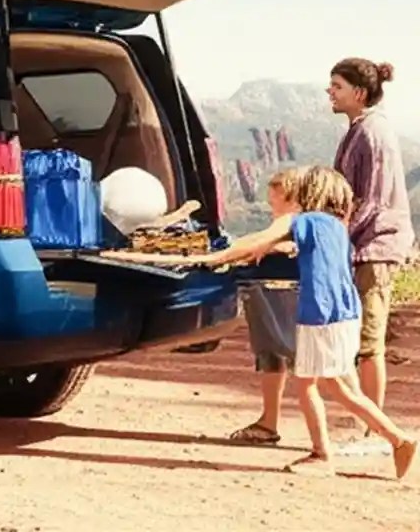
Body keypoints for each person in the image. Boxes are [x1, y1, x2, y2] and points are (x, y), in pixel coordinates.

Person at [104, 166, 416, 479]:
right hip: (346, 315)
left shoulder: (301, 220)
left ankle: (325, 454)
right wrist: (262, 247)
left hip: (319, 315)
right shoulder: (337, 229)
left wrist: (217, 257)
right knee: (341, 388)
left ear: (307, 194)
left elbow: (259, 238)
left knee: (308, 384)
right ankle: (397, 440)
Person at [328, 58, 415, 418]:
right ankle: (366, 420)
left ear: (360, 93)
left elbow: (372, 201)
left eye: (338, 86)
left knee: (368, 343)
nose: (330, 92)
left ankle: (374, 425)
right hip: (361, 247)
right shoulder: (359, 129)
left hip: (375, 247)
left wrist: (337, 237)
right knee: (354, 339)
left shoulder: (372, 133)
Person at [225, 166, 305, 446]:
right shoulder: (285, 225)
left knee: (304, 362)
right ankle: (269, 421)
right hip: (267, 293)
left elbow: (274, 243)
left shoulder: (295, 222)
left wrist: (230, 253)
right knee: (272, 356)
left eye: (275, 202)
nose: (273, 209)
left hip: (287, 296)